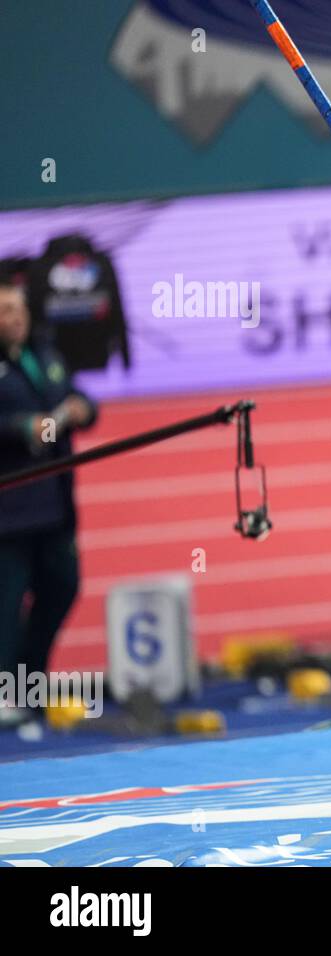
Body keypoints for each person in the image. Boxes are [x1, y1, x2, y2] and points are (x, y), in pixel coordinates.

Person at [0, 277, 98, 727]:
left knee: (63, 585)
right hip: (9, 513)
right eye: (4, 312)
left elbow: (80, 397)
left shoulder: (46, 354)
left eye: (17, 310)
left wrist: (82, 408)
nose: (13, 319)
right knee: (6, 604)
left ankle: (25, 683)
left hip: (56, 506)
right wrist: (21, 428)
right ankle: (7, 691)